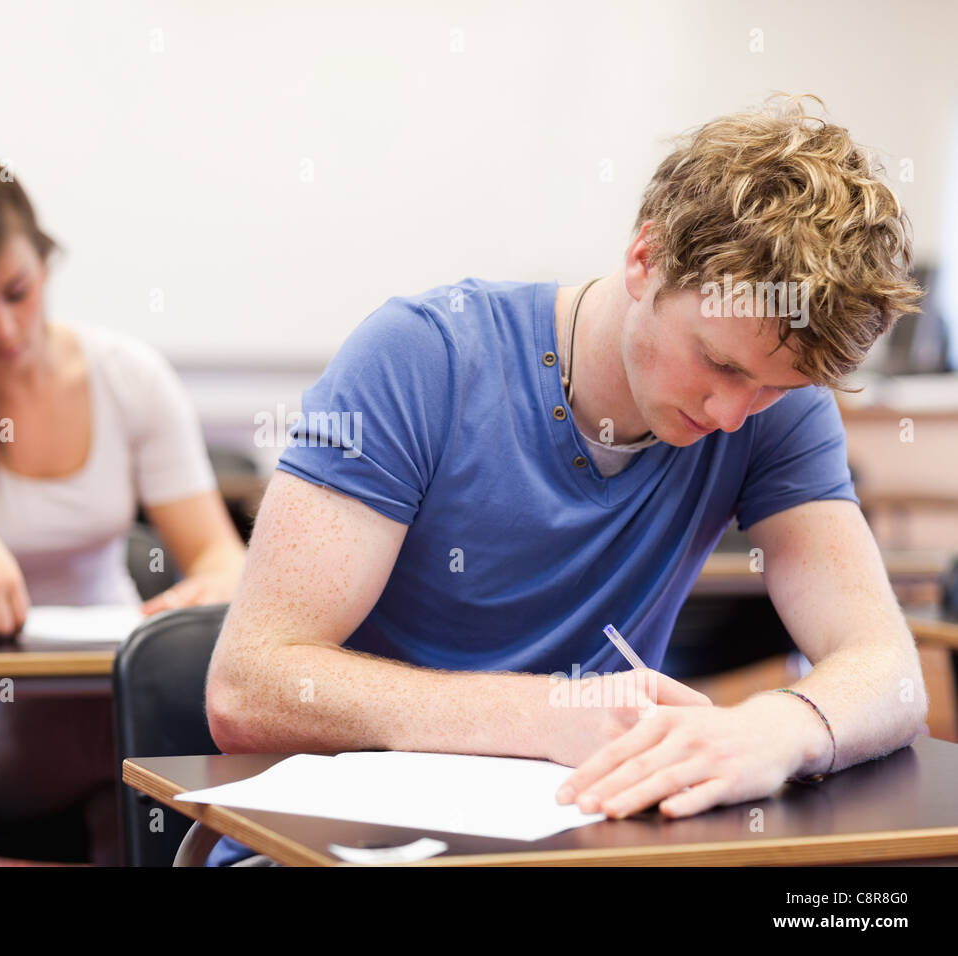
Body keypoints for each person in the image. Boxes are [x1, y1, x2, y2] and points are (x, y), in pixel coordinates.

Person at [204, 95, 929, 864]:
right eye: (717, 363)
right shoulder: (422, 358)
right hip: (346, 842)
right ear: (645, 259)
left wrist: (774, 731)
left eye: (773, 389)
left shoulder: (773, 410)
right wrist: (548, 713)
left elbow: (889, 673)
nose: (730, 414)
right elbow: (249, 688)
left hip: (578, 838)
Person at [0, 155, 246, 864]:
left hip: (113, 683)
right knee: (146, 738)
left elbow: (218, 554)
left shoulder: (126, 377)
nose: (3, 330)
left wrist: (212, 589)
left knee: (153, 730)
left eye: (18, 292)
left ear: (45, 259)